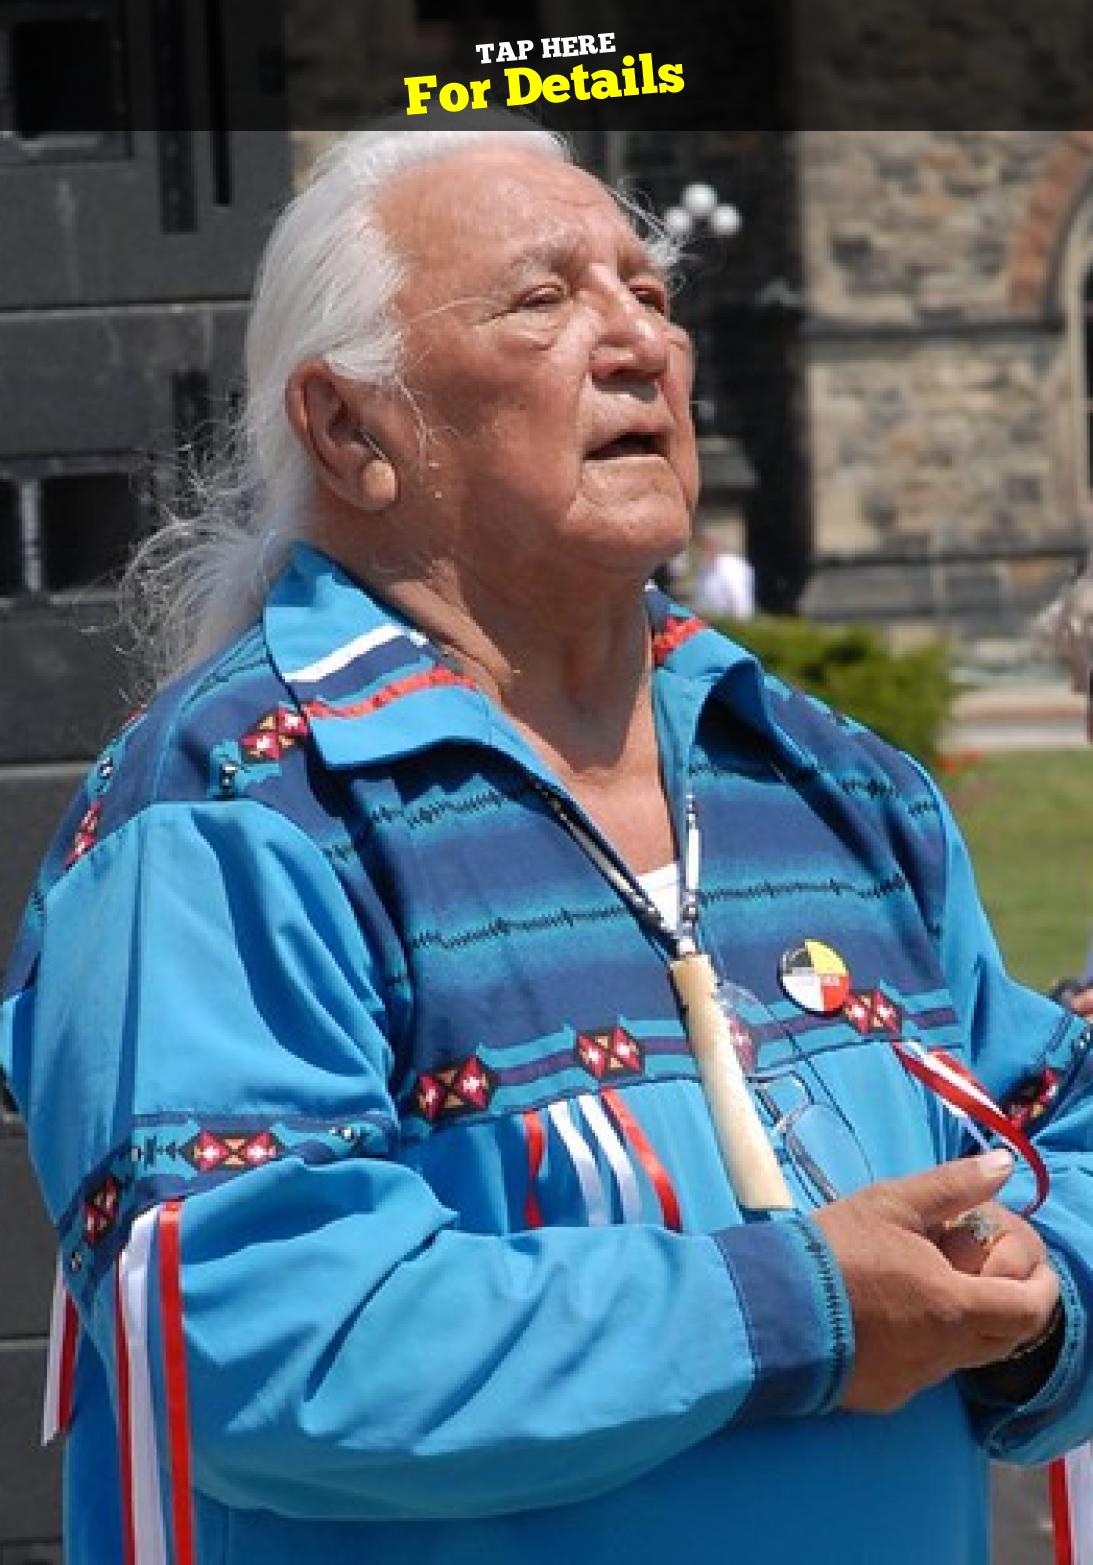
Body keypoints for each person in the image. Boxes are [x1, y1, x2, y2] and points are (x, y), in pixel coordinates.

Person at [2, 128, 1091, 1565]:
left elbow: (1049, 1121)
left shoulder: (832, 782)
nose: (639, 338)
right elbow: (252, 1333)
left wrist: (1034, 1293)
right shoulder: (226, 816)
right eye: (542, 299)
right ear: (350, 430)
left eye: (649, 291)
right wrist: (797, 1312)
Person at [689, 525, 756, 620]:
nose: (701, 551)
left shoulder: (731, 566)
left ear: (716, 545)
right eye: (700, 547)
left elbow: (740, 602)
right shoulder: (703, 568)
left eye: (706, 546)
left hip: (731, 623)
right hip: (710, 622)